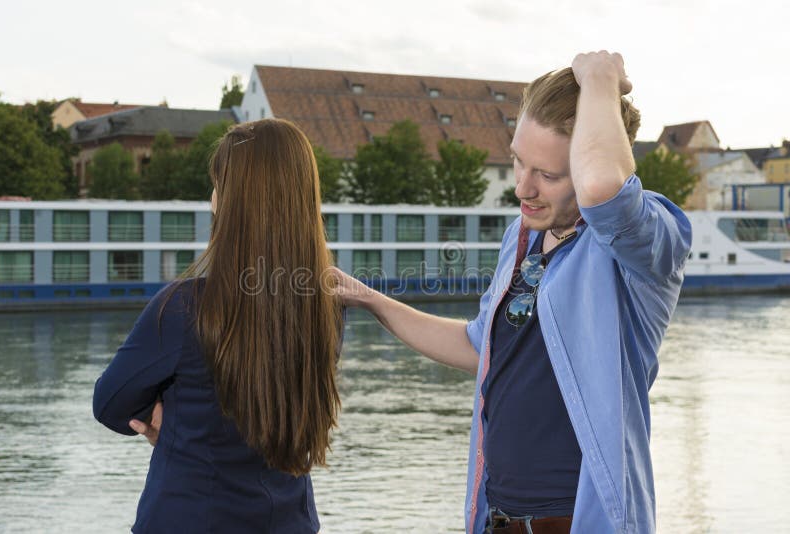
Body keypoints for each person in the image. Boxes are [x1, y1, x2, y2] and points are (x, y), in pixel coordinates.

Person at [333, 51, 691, 533]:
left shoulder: (645, 243)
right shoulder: (522, 238)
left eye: (548, 174)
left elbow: (606, 188)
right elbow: (479, 346)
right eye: (518, 162)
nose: (523, 188)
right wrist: (371, 300)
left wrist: (600, 78)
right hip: (497, 517)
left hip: (573, 520)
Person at [93, 118, 343, 533]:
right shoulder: (327, 310)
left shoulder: (183, 307)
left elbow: (109, 402)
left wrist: (163, 417)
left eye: (218, 186)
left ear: (229, 202)